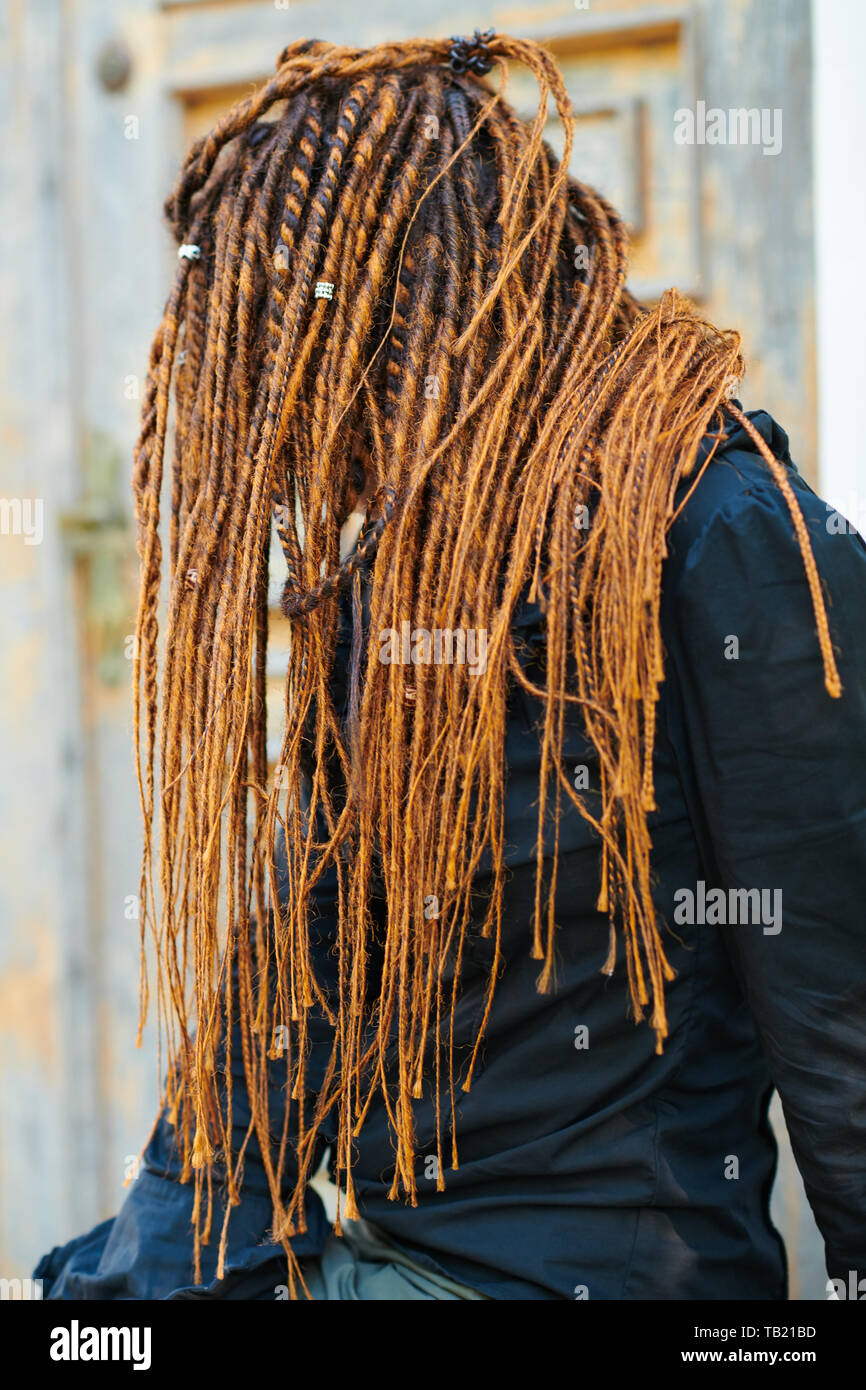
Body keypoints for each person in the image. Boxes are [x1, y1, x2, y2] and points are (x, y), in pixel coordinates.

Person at [36, 32, 866, 1301]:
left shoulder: (728, 538)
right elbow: (288, 976)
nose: (304, 439)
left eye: (313, 372)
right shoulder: (408, 576)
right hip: (398, 1251)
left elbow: (841, 1024)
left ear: (430, 312)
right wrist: (169, 1271)